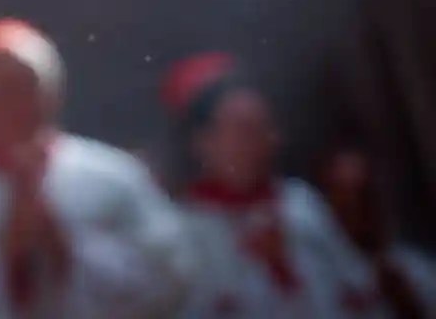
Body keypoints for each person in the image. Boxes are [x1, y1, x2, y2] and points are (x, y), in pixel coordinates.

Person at [0, 18, 192, 319]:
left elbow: (175, 277)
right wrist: (6, 258)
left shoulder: (114, 177)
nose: (13, 104)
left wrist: (68, 251)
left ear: (53, 93)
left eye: (24, 86)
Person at [165, 52, 382, 319]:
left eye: (265, 127)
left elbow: (358, 292)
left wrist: (285, 265)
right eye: (244, 130)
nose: (263, 142)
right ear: (203, 142)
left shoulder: (300, 202)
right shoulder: (185, 230)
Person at [316, 146, 436, 319]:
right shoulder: (320, 280)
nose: (357, 208)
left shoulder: (413, 267)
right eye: (345, 197)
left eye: (363, 194)